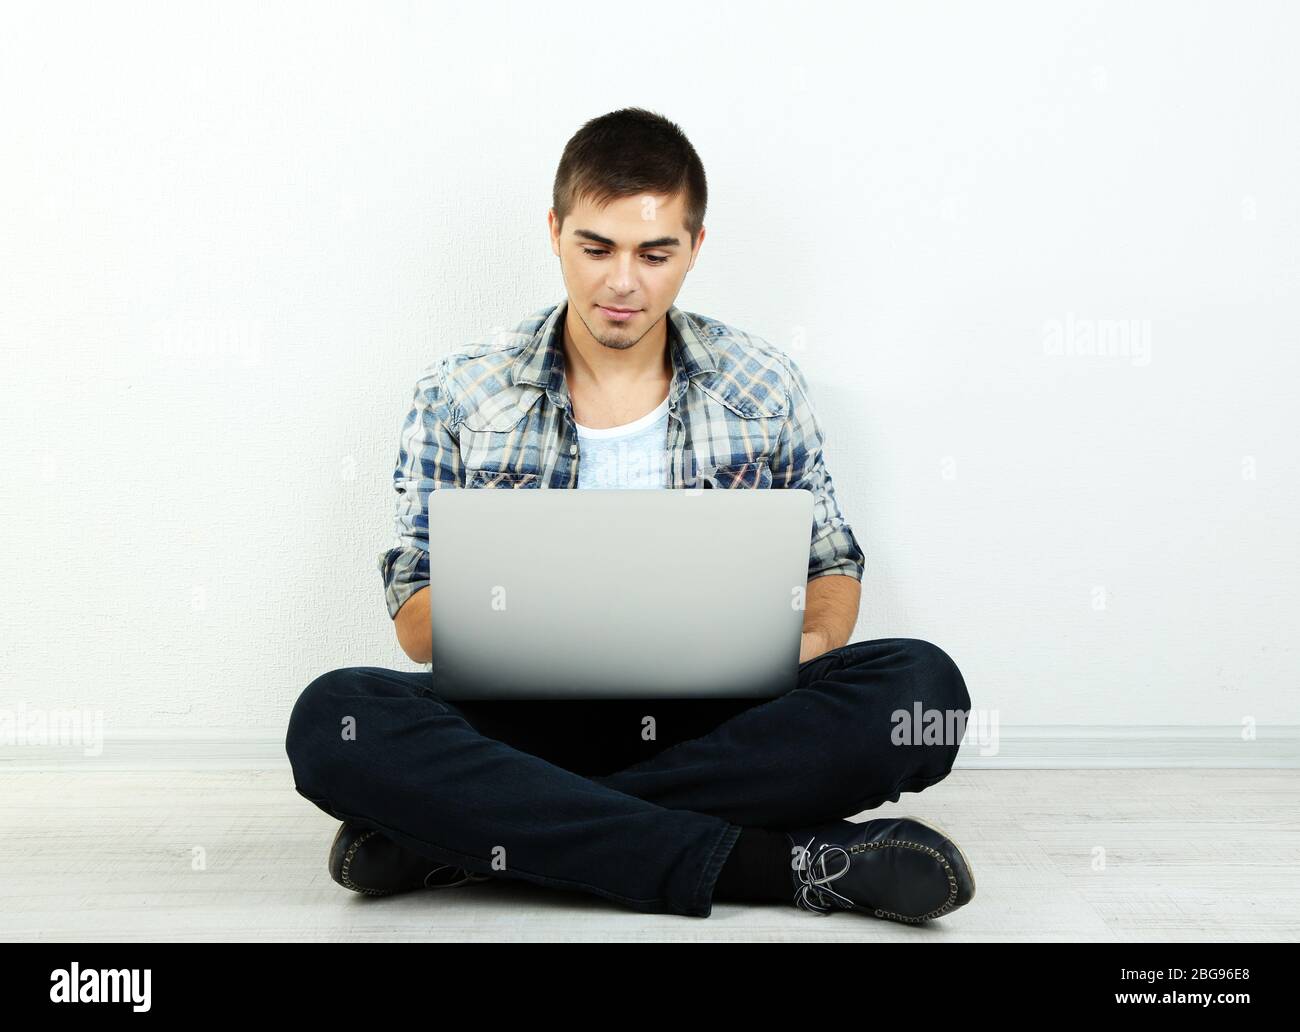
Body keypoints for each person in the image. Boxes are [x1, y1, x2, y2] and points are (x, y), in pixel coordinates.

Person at [285, 107, 975, 922]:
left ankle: (473, 836)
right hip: (523, 722)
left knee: (921, 693)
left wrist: (805, 641)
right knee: (334, 717)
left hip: (725, 723)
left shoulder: (762, 381)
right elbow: (415, 608)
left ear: (695, 247)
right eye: (597, 248)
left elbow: (831, 564)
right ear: (554, 230)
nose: (623, 282)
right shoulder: (461, 390)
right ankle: (774, 864)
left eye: (655, 253)